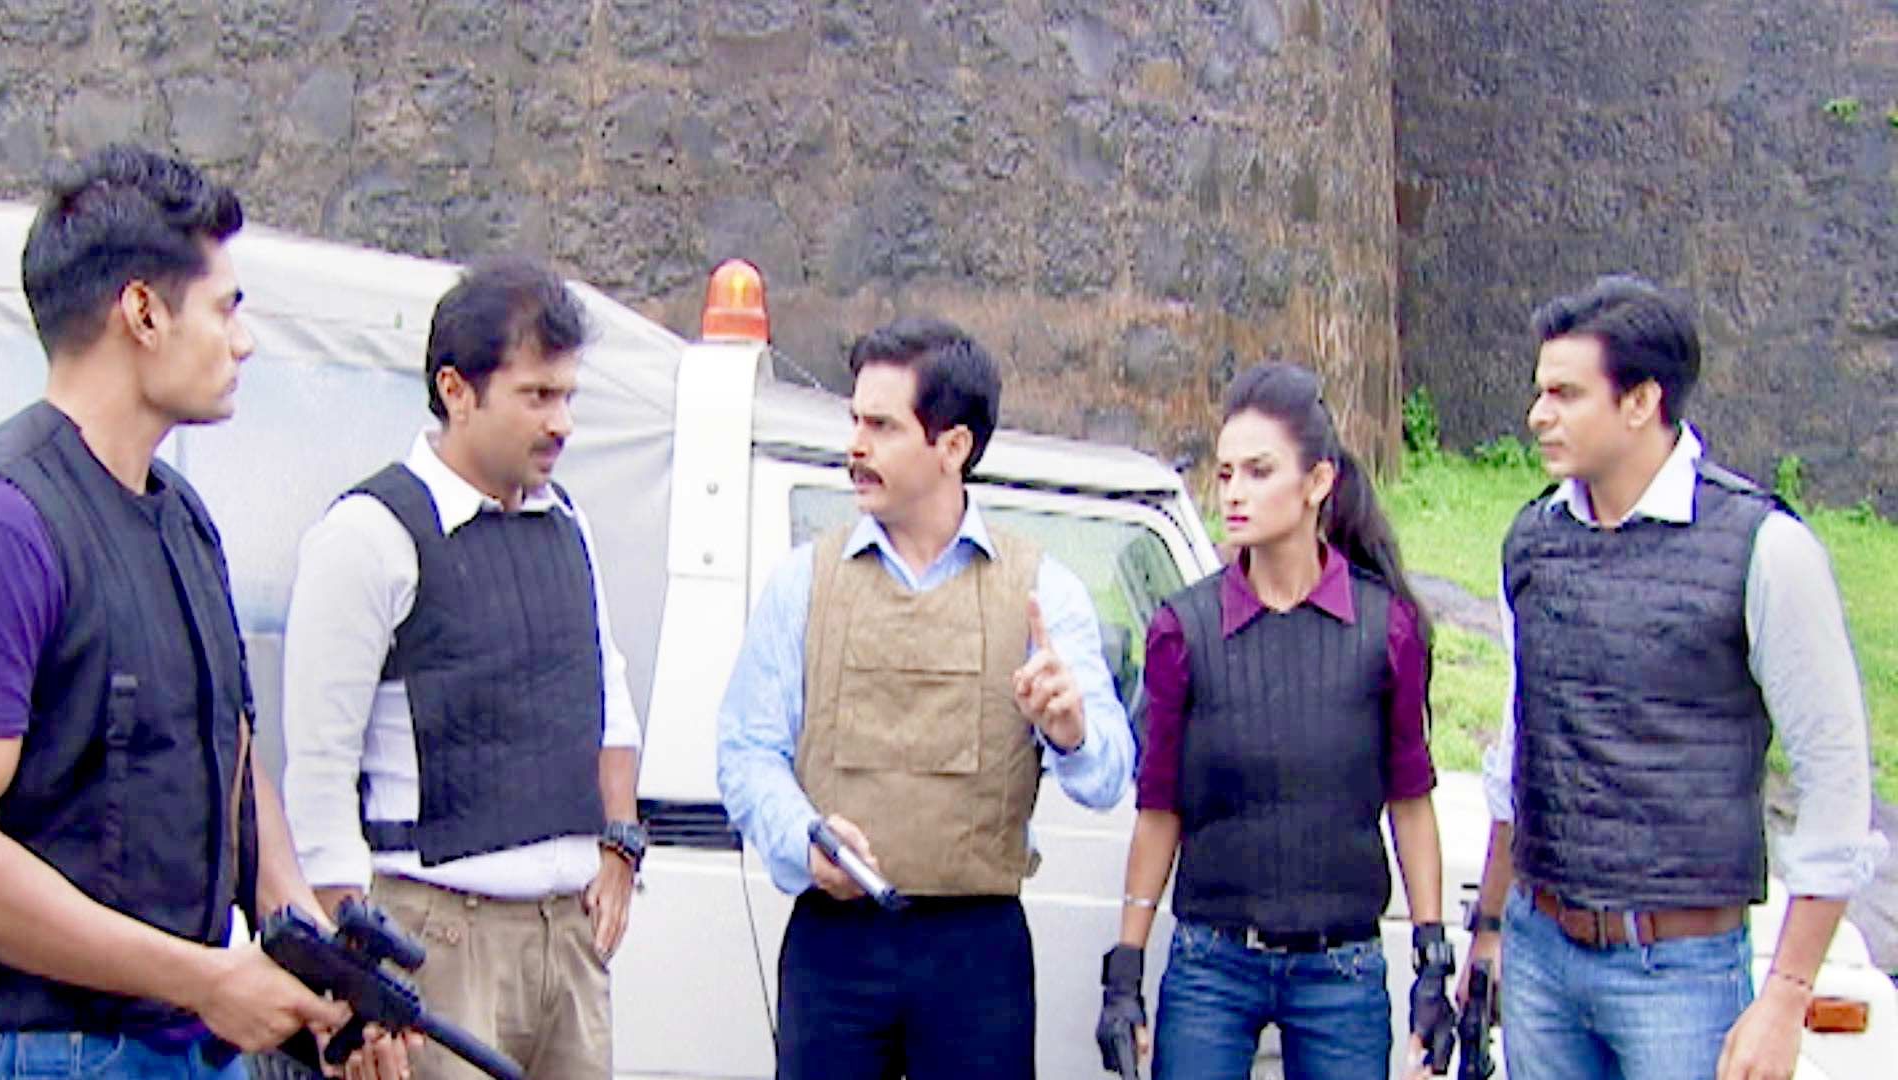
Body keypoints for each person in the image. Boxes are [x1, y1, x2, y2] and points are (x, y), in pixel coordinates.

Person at [0, 145, 405, 1079]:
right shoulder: (5, 524)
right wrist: (208, 979)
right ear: (142, 311)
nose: (242, 342)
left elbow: (234, 758)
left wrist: (318, 965)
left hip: (190, 1048)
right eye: (225, 308)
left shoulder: (183, 519)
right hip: (46, 1050)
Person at [1464, 275, 1887, 1080]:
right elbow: (1520, 748)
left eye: (1565, 394)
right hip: (1541, 950)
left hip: (1681, 974)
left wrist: (1787, 995)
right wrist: (1488, 930)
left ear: (1641, 401)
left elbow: (1835, 780)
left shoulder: (1766, 549)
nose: (1538, 415)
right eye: (1540, 391)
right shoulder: (1534, 540)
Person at [716, 316, 1135, 1079]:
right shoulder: (805, 583)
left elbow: (1108, 778)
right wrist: (803, 840)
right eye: (854, 421)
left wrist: (1071, 729)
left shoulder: (1040, 590)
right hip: (834, 947)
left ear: (953, 446)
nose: (855, 446)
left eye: (881, 426)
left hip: (976, 953)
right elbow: (746, 752)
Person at [279, 257, 644, 1079]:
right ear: (456, 389)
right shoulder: (370, 534)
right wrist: (355, 977)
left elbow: (606, 695)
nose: (561, 423)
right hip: (438, 940)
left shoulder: (567, 523)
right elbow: (320, 770)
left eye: (568, 396)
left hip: (568, 941)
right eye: (536, 396)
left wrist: (621, 846)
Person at [1093, 362, 1454, 1080]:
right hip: (1213, 960)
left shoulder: (1386, 628)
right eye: (1226, 473)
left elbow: (1410, 800)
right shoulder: (1184, 630)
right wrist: (1125, 968)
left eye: (1259, 472)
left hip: (1341, 967)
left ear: (1317, 481)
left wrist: (1431, 958)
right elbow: (1160, 805)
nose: (1233, 492)